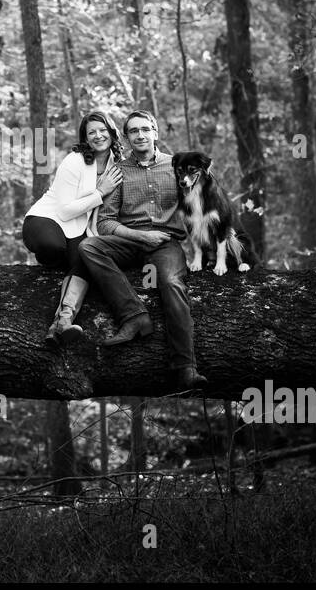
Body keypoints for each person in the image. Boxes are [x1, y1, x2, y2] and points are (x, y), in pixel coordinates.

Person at [77, 110, 207, 391]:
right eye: (133, 131)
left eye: (145, 129)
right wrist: (139, 236)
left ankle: (185, 368)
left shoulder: (177, 167)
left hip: (165, 243)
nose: (140, 135)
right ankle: (135, 316)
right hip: (129, 240)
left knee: (171, 282)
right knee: (89, 247)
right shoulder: (119, 171)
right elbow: (105, 222)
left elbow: (200, 207)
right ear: (126, 138)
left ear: (155, 133)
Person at [22, 112, 124, 347]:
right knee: (52, 247)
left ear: (112, 132)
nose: (98, 136)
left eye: (102, 130)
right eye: (91, 132)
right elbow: (65, 210)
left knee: (88, 258)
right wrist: (100, 192)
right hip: (48, 218)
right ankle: (53, 259)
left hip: (80, 228)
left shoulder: (117, 163)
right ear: (85, 138)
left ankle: (62, 323)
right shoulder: (75, 161)